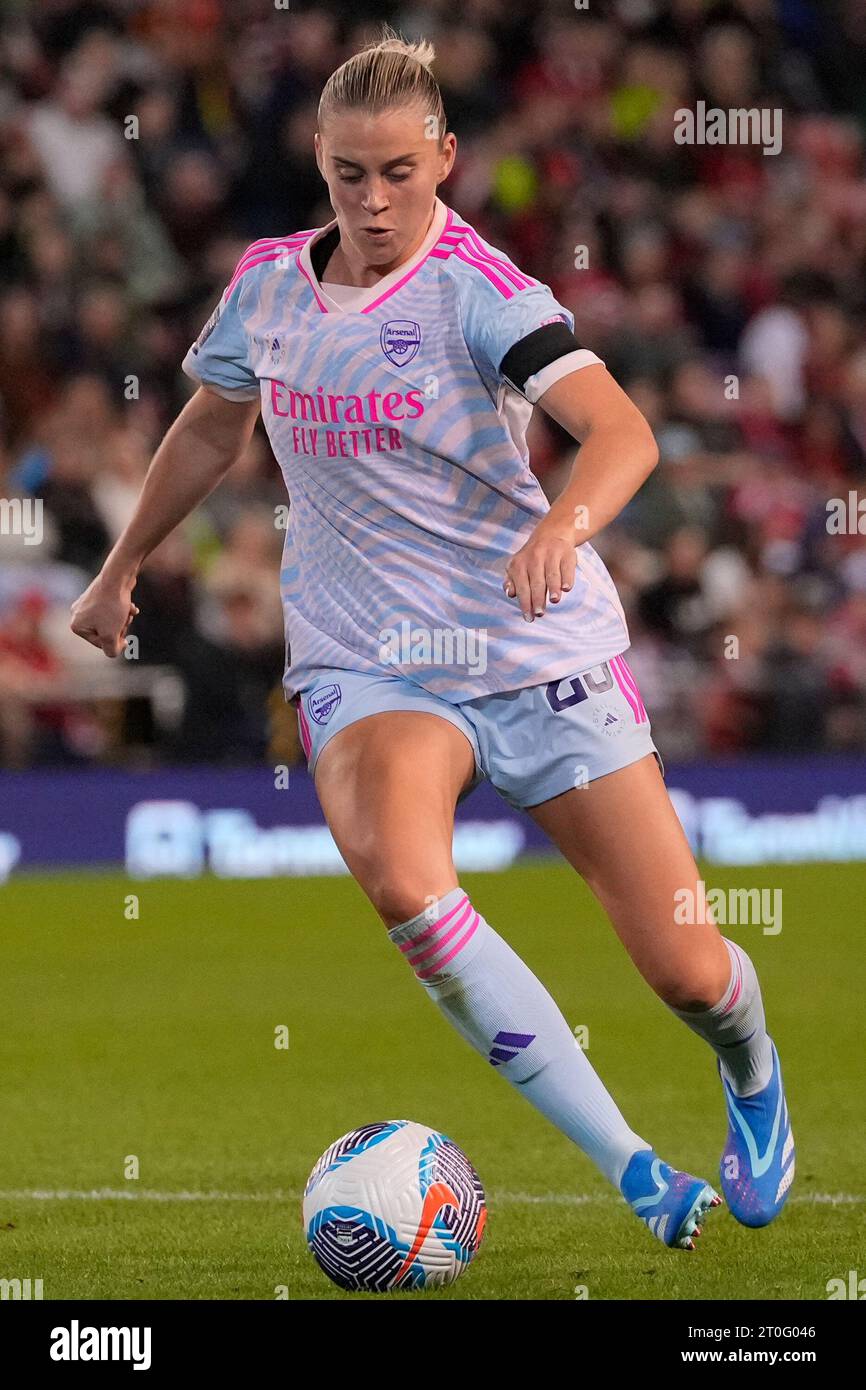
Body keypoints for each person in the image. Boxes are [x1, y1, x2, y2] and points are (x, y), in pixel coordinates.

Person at [70, 30, 793, 1251]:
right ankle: (629, 1166)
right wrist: (122, 562)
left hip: (529, 645)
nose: (372, 199)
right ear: (318, 159)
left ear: (445, 160)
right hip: (368, 658)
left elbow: (619, 432)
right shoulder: (266, 285)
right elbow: (207, 427)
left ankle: (751, 1061)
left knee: (682, 970)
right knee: (407, 882)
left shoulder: (480, 291)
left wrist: (564, 525)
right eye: (349, 172)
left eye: (398, 171)